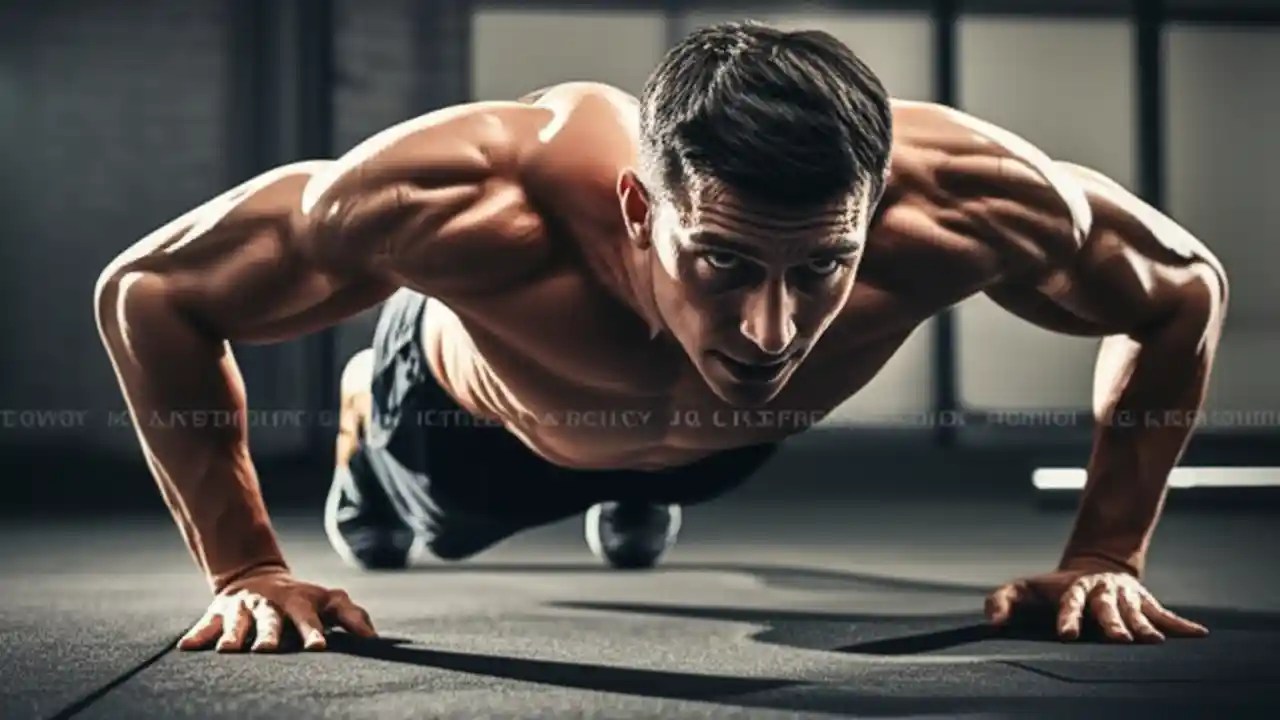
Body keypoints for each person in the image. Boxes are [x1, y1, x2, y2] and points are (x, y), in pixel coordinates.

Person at [95, 22, 1224, 654]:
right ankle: (364, 419)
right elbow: (151, 292)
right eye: (723, 262)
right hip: (471, 435)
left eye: (819, 268)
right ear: (642, 208)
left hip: (721, 444)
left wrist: (1104, 556)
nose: (773, 328)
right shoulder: (475, 196)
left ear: (872, 212)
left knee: (715, 410)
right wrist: (246, 568)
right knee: (407, 539)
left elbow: (1179, 290)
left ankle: (645, 481)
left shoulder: (970, 206)